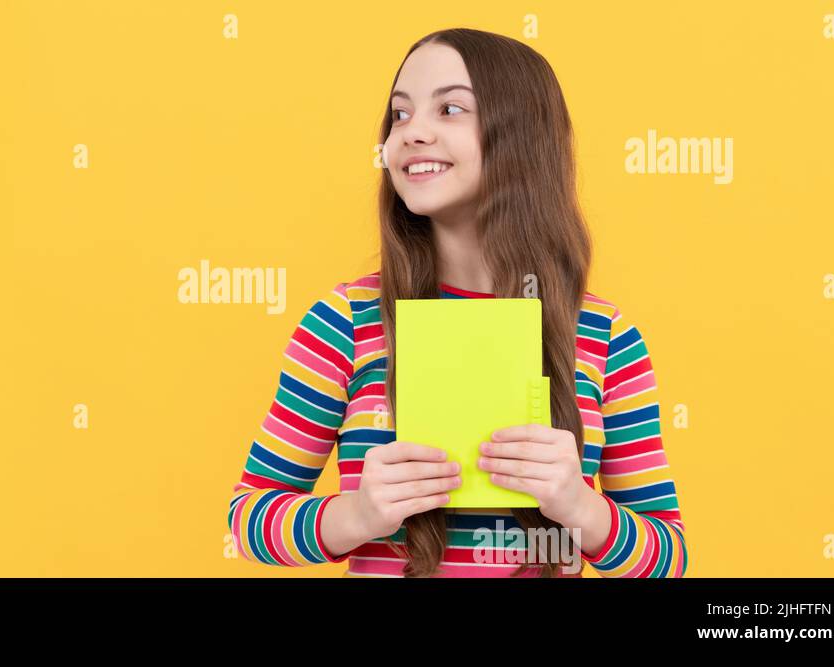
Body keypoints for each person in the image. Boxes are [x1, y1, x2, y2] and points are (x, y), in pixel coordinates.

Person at [226, 28, 687, 578]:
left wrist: (581, 509)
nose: (412, 133)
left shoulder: (604, 334)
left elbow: (668, 557)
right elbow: (248, 519)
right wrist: (357, 515)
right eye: (400, 115)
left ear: (522, 137)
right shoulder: (346, 321)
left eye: (449, 109)